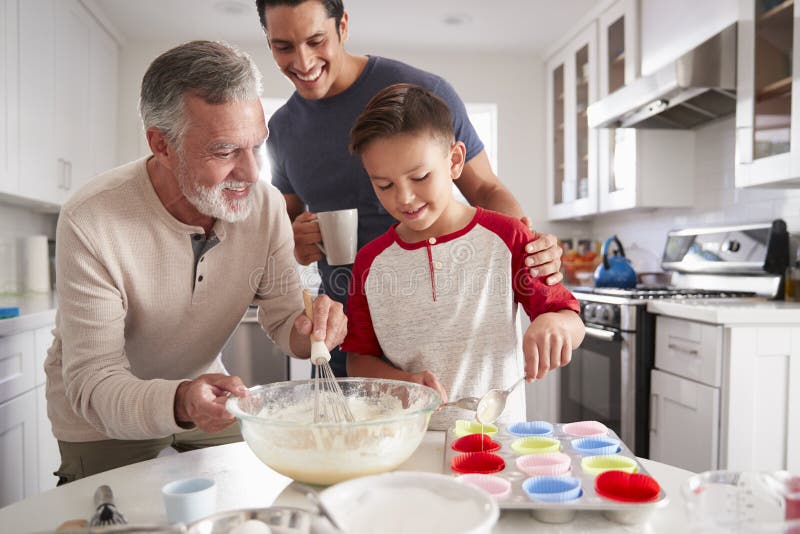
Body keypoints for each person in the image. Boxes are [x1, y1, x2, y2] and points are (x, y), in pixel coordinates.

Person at [44, 40, 347, 483]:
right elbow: (94, 380)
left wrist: (311, 332)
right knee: (122, 512)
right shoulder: (91, 219)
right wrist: (180, 400)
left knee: (247, 492)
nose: (251, 174)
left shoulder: (264, 206)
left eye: (257, 147)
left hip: (205, 388)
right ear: (161, 145)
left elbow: (286, 318)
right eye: (225, 151)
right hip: (104, 415)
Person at [255, 0, 565, 377]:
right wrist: (294, 240)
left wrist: (528, 250)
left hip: (439, 333)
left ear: (343, 27)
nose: (303, 62)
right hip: (347, 341)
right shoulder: (282, 130)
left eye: (316, 40)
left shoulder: (422, 92)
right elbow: (284, 224)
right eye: (283, 46)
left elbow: (484, 188)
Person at [341, 84, 585, 430]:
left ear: (455, 161)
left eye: (420, 177)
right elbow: (358, 360)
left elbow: (569, 318)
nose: (404, 197)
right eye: (384, 185)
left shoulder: (507, 237)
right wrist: (403, 383)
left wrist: (556, 325)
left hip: (497, 441)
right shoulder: (371, 262)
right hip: (408, 441)